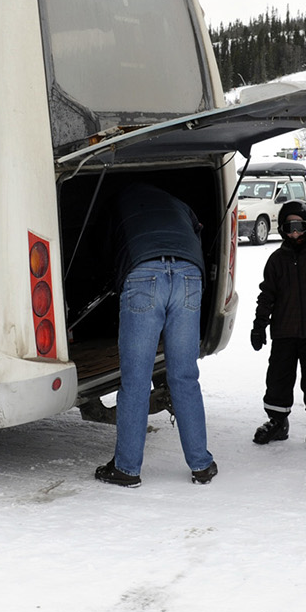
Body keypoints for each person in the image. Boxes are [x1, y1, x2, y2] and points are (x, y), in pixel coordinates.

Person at [95, 182, 218, 487]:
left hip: (143, 273)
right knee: (184, 376)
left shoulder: (116, 201)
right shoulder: (177, 202)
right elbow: (197, 232)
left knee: (136, 378)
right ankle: (201, 464)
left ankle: (126, 468)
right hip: (189, 273)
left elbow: (103, 251)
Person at [249, 201, 306, 449]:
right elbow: (267, 295)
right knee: (278, 377)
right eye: (289, 227)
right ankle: (277, 421)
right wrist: (259, 325)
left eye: (300, 227)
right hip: (284, 332)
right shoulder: (276, 260)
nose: (295, 233)